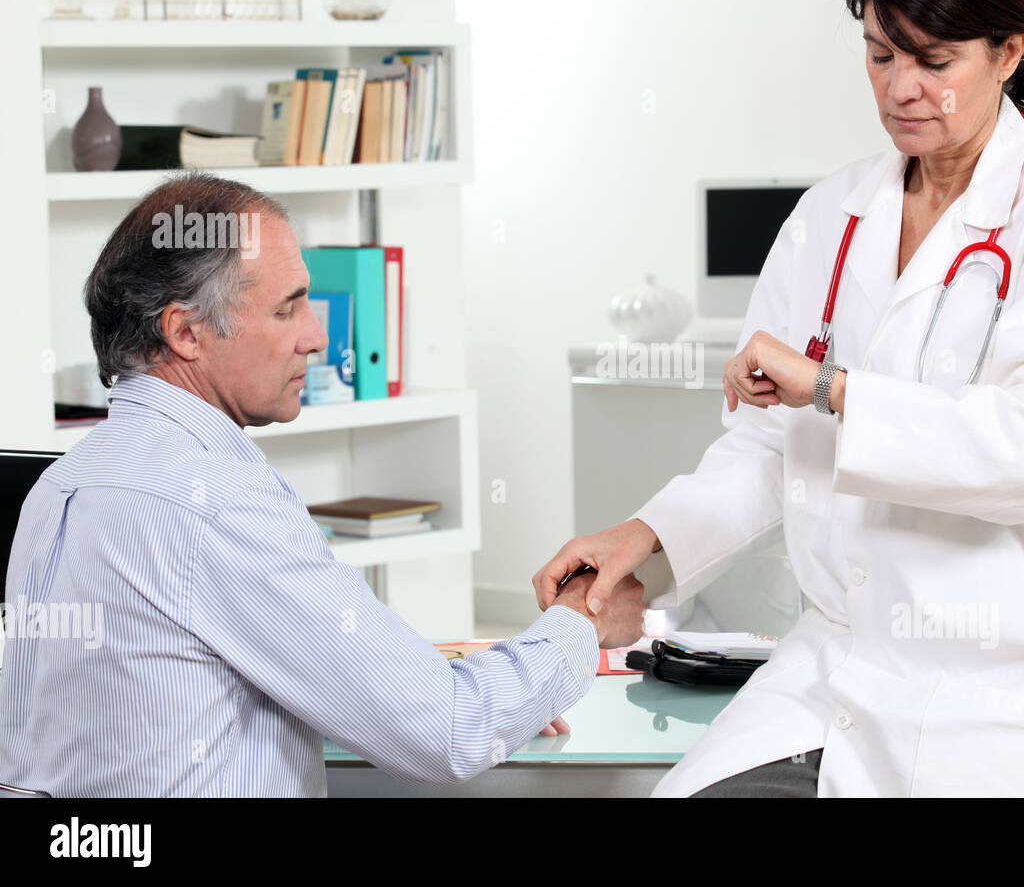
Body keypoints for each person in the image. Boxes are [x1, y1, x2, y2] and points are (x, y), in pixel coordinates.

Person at [534, 0, 1024, 797]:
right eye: (880, 53)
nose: (900, 87)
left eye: (934, 60)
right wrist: (642, 547)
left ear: (1009, 52)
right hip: (837, 666)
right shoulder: (829, 216)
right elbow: (768, 449)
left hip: (1005, 696)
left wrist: (835, 391)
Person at [0, 173, 645, 797]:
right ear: (186, 332)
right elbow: (446, 731)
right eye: (288, 309)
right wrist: (581, 620)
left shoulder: (61, 485)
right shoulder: (215, 499)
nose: (318, 337)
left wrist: (429, 685)